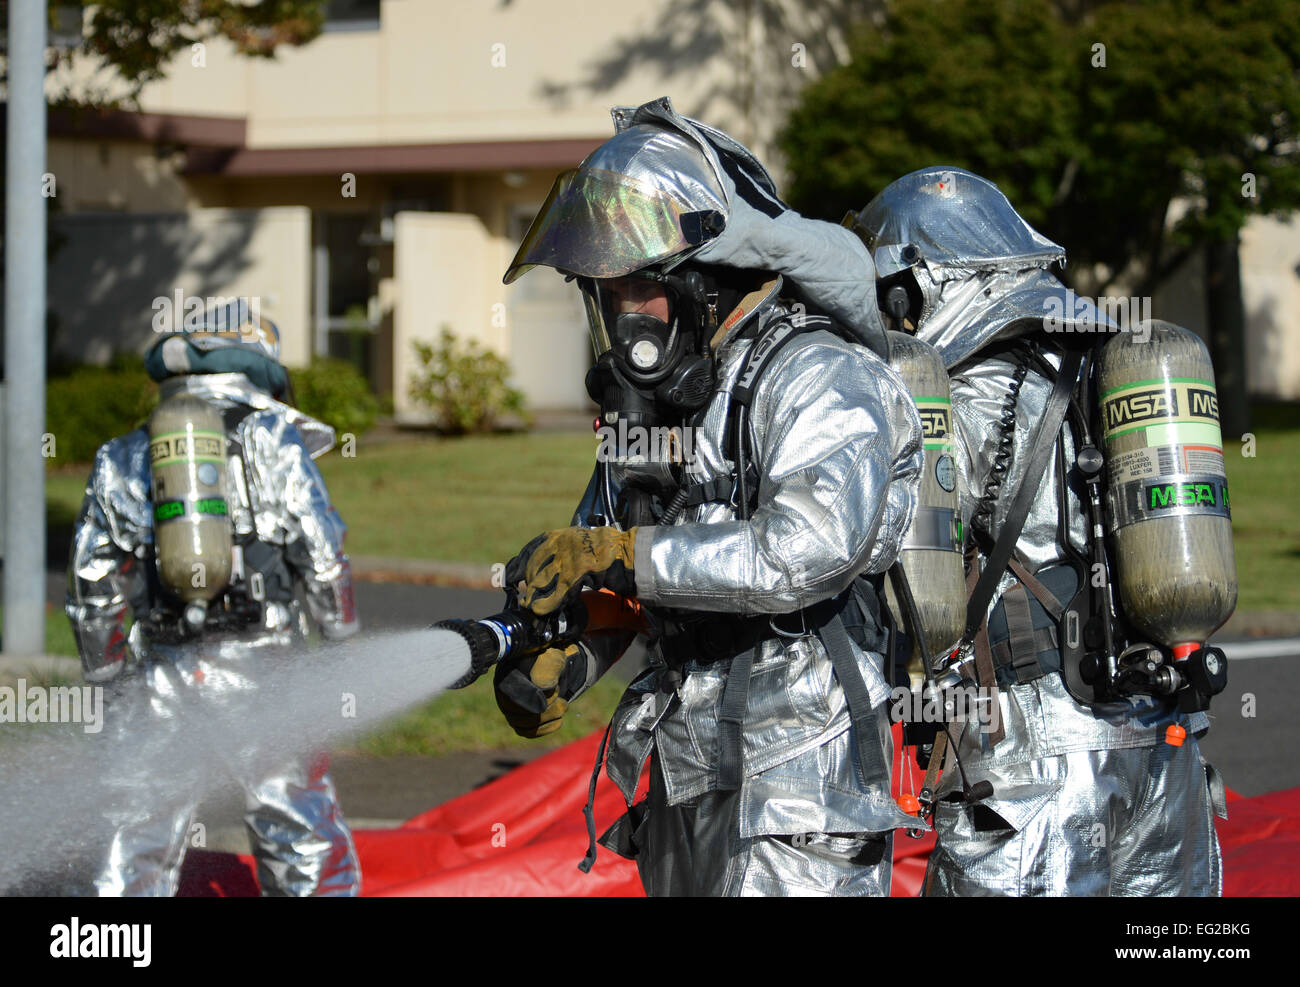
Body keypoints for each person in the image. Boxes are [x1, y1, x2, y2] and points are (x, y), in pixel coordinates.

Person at [488, 97, 924, 896]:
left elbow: (801, 552)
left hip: (801, 789)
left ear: (705, 281)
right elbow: (616, 577)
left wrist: (624, 555)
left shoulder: (819, 374)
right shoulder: (648, 408)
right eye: (605, 294)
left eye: (637, 289)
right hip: (685, 774)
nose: (621, 317)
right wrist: (567, 660)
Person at [852, 167, 1225, 895]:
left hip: (1026, 764)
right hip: (1162, 739)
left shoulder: (936, 392)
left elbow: (882, 563)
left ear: (917, 284)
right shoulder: (1116, 358)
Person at [65, 301, 362, 896]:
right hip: (267, 664)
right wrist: (340, 641)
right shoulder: (274, 438)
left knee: (134, 829)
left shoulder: (124, 453)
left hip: (164, 672)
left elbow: (91, 578)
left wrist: (108, 671)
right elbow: (320, 549)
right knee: (294, 822)